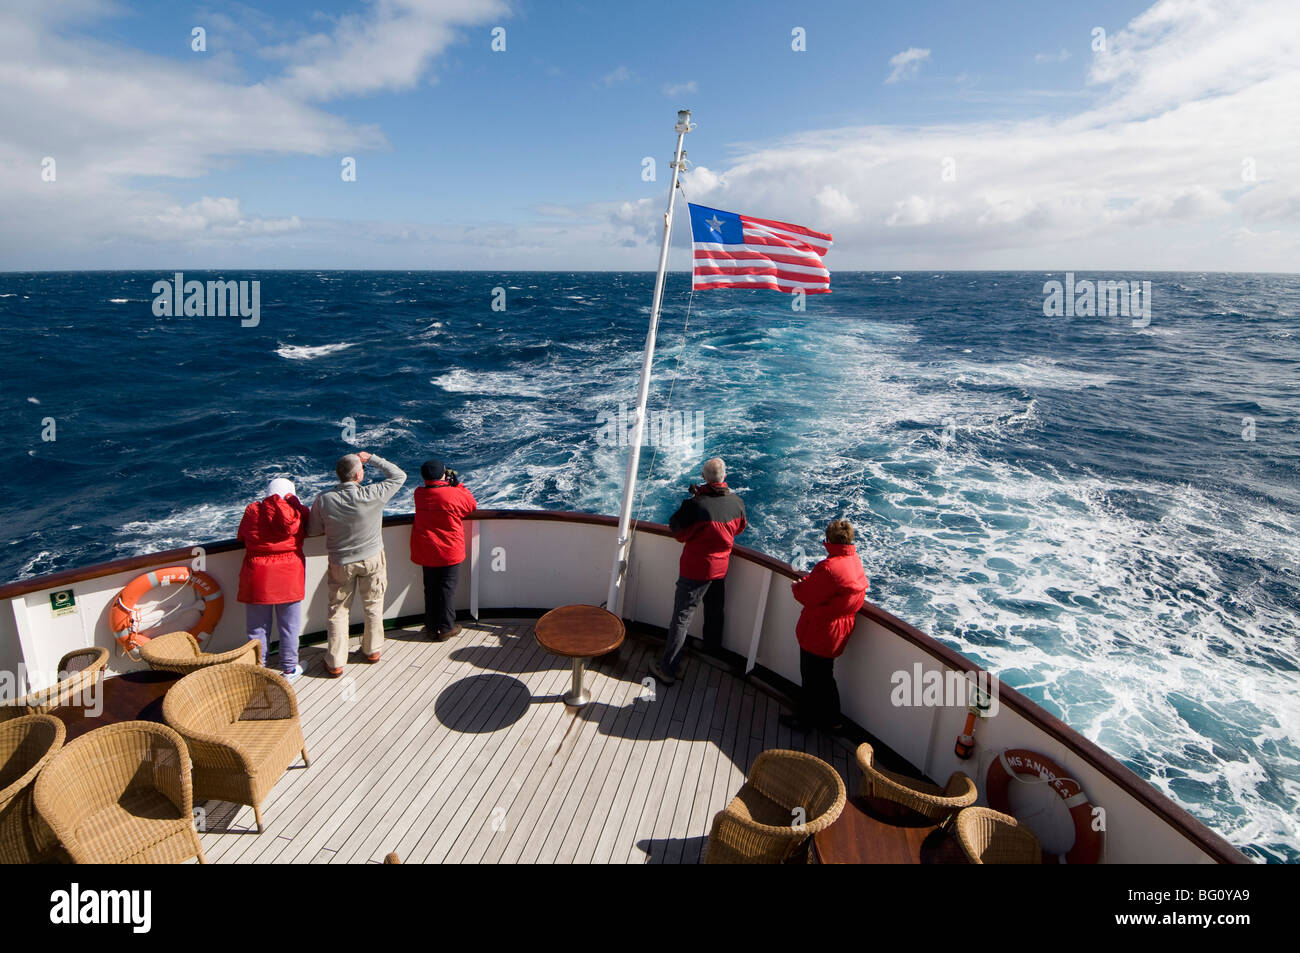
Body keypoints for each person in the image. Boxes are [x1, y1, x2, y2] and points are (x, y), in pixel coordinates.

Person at [649, 457, 746, 686]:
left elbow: (678, 530)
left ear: (704, 477)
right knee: (715, 610)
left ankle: (668, 669)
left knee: (681, 618)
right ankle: (711, 651)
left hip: (696, 570)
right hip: (721, 569)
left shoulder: (695, 506)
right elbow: (739, 528)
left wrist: (696, 499)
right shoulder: (737, 503)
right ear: (724, 477)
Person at [308, 451, 406, 676]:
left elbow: (313, 530)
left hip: (341, 563)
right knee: (373, 605)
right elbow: (399, 476)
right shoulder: (373, 494)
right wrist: (372, 458)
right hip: (372, 559)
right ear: (358, 476)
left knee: (338, 611)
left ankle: (335, 662)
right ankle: (372, 651)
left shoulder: (324, 499)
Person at [779, 519, 869, 733]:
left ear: (830, 540)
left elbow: (807, 595)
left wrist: (798, 586)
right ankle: (832, 720)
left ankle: (804, 720)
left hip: (820, 631)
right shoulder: (854, 561)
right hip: (840, 629)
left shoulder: (829, 568)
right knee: (825, 677)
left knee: (811, 677)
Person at [237, 477, 309, 682]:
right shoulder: (297, 513)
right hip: (290, 575)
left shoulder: (253, 511)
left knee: (256, 629)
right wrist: (295, 502)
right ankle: (289, 668)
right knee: (290, 627)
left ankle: (258, 670)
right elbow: (308, 523)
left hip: (257, 575)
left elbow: (242, 536)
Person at [410, 459, 478, 640]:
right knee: (447, 589)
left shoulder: (419, 494)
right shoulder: (451, 493)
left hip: (426, 549)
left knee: (430, 588)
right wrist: (458, 485)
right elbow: (471, 505)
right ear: (443, 475)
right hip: (449, 549)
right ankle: (447, 627)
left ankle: (431, 627)